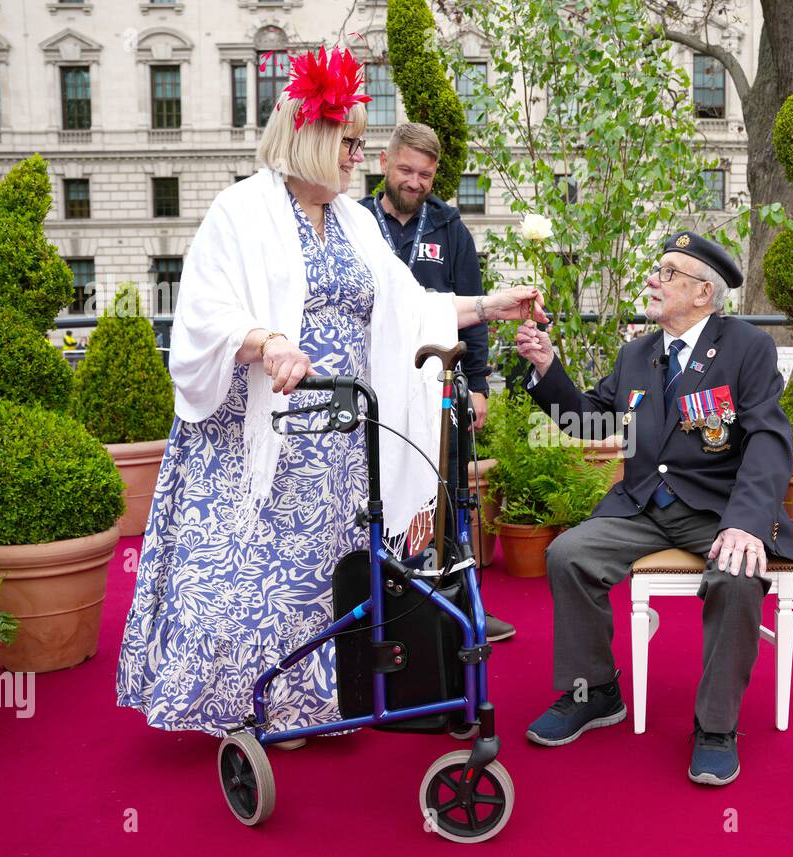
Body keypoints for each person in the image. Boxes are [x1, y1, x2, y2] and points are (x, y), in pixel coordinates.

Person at [116, 46, 543, 745]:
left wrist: (494, 305)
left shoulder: (354, 222)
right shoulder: (241, 211)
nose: (358, 158)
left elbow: (410, 308)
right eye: (347, 144)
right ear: (311, 140)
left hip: (343, 436)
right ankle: (242, 709)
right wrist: (265, 341)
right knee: (252, 579)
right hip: (261, 435)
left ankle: (312, 706)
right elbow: (202, 311)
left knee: (323, 577)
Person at [515, 231, 793, 786]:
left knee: (739, 576)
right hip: (643, 505)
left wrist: (745, 522)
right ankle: (594, 691)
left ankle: (716, 726)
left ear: (702, 293)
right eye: (658, 269)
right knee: (568, 555)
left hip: (719, 509)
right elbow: (586, 421)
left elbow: (768, 438)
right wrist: (547, 369)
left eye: (667, 272)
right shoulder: (637, 354)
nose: (653, 279)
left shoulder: (745, 348)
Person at [358, 122, 515, 642]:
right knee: (370, 491)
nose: (415, 181)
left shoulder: (451, 227)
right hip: (373, 387)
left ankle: (457, 603)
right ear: (384, 162)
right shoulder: (353, 221)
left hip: (439, 387)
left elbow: (475, 310)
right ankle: (371, 601)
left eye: (425, 174)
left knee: (448, 491)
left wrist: (479, 385)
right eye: (405, 170)